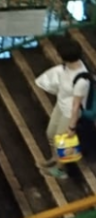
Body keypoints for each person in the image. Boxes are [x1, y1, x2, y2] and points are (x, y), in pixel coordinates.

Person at [35, 35, 91, 181]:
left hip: (70, 112)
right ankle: (54, 158)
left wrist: (71, 127)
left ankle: (60, 169)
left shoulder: (81, 80)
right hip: (61, 105)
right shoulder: (67, 67)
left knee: (63, 141)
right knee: (51, 133)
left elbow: (76, 105)